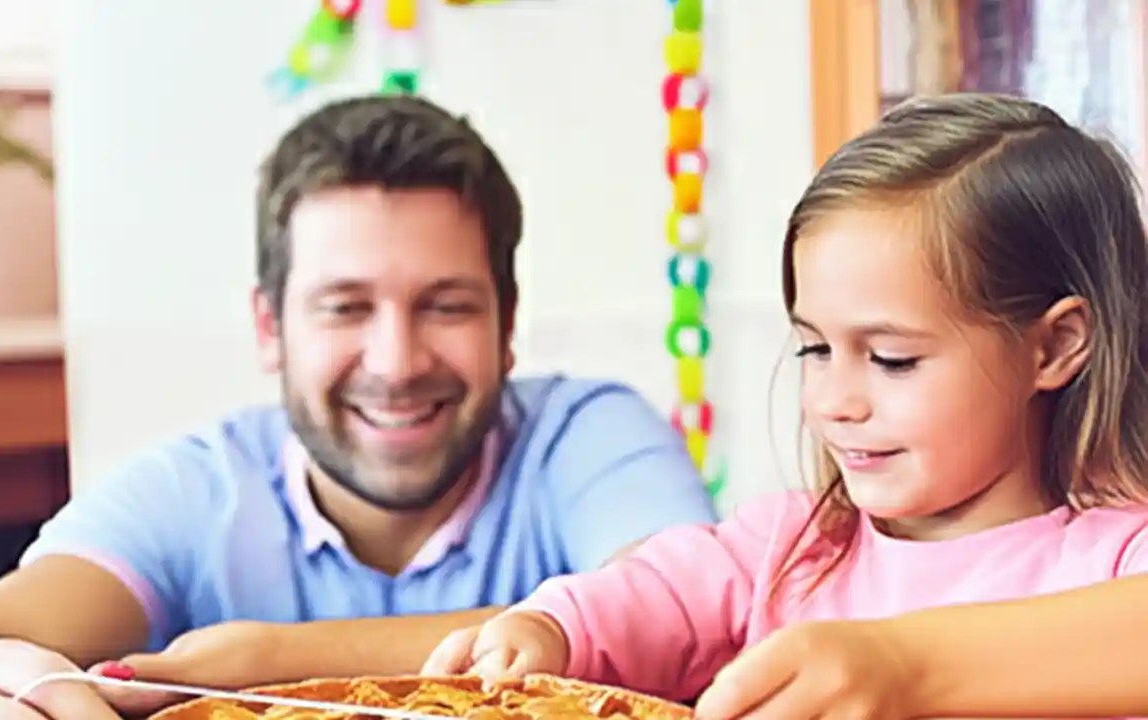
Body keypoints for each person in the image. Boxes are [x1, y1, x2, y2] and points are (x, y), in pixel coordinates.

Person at [0, 94, 719, 718]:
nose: (396, 361)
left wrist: (265, 659)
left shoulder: (593, 437)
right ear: (269, 327)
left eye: (447, 305)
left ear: (508, 325)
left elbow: (691, 620)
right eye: (345, 307)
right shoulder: (195, 490)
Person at [423, 92, 1148, 719]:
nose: (834, 402)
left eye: (892, 359)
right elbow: (652, 592)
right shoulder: (789, 549)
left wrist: (899, 662)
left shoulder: (1115, 556)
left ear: (1053, 348)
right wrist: (550, 629)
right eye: (815, 350)